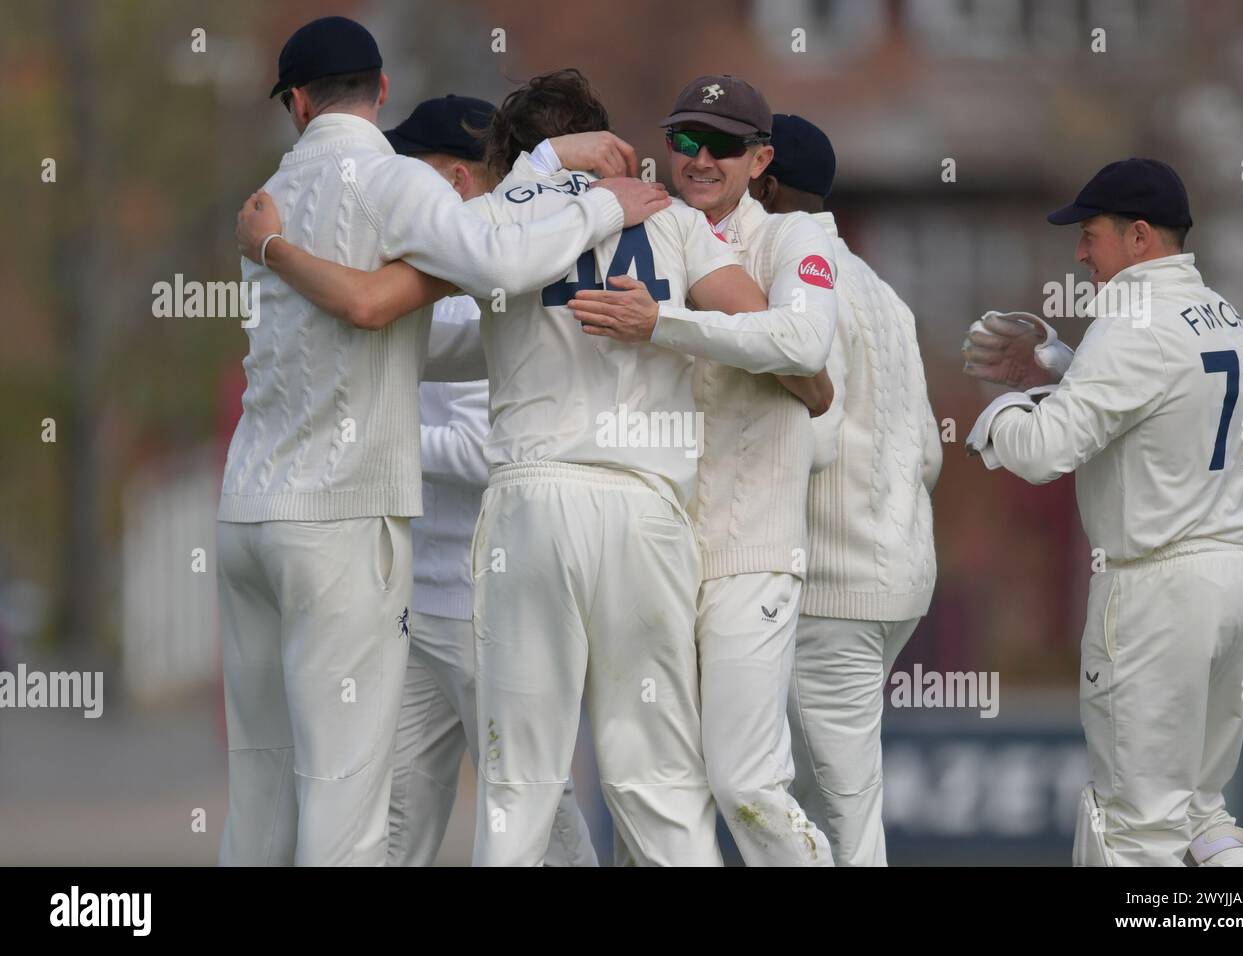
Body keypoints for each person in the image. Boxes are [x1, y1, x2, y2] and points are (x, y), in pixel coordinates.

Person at [235, 68, 830, 866]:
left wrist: (277, 253)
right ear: (603, 141)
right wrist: (681, 330)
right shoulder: (673, 223)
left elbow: (392, 317)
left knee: (519, 789)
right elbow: (762, 330)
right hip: (644, 513)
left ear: (514, 153)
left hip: (531, 512)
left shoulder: (491, 227)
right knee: (657, 785)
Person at [218, 16, 664, 867]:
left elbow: (403, 333)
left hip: (246, 516)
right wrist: (601, 199)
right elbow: (492, 257)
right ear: (382, 91)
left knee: (262, 789)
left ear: (298, 103)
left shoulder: (267, 198)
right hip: (337, 521)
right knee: (346, 804)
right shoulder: (389, 179)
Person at [963, 158, 1243, 867]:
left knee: (1133, 835)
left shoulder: (1129, 317)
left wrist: (1001, 402)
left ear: (1138, 237)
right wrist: (1064, 367)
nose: (1079, 253)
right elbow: (1159, 404)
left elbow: (1043, 453)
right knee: (1203, 814)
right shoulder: (1225, 314)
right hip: (1240, 581)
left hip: (1159, 590)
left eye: (1090, 234)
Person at [569, 76, 840, 866]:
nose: (700, 158)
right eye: (686, 140)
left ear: (761, 159)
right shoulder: (647, 228)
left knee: (746, 784)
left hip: (752, 549)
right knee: (652, 788)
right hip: (659, 550)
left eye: (723, 145)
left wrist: (664, 325)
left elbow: (805, 352)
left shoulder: (796, 240)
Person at [376, 95, 596, 867]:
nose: (395, 184)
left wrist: (383, 442)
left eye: (413, 168)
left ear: (461, 180)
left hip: (484, 606)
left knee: (531, 809)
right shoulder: (427, 278)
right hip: (416, 606)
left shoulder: (491, 295)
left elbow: (482, 453)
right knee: (393, 821)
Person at [750, 114, 941, 866]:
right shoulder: (885, 293)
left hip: (833, 586)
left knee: (841, 811)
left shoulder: (800, 281)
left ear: (765, 181)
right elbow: (927, 451)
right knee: (823, 799)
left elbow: (817, 436)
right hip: (896, 575)